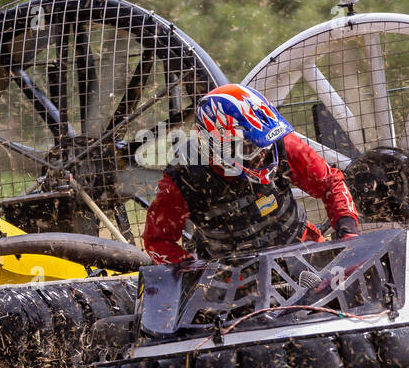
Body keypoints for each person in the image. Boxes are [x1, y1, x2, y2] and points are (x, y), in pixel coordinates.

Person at [142, 83, 359, 264]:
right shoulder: (183, 176)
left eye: (265, 144)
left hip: (300, 250)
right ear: (216, 146)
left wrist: (347, 231)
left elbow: (331, 183)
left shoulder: (281, 144)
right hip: (229, 276)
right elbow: (158, 241)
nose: (262, 155)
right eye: (250, 147)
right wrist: (194, 272)